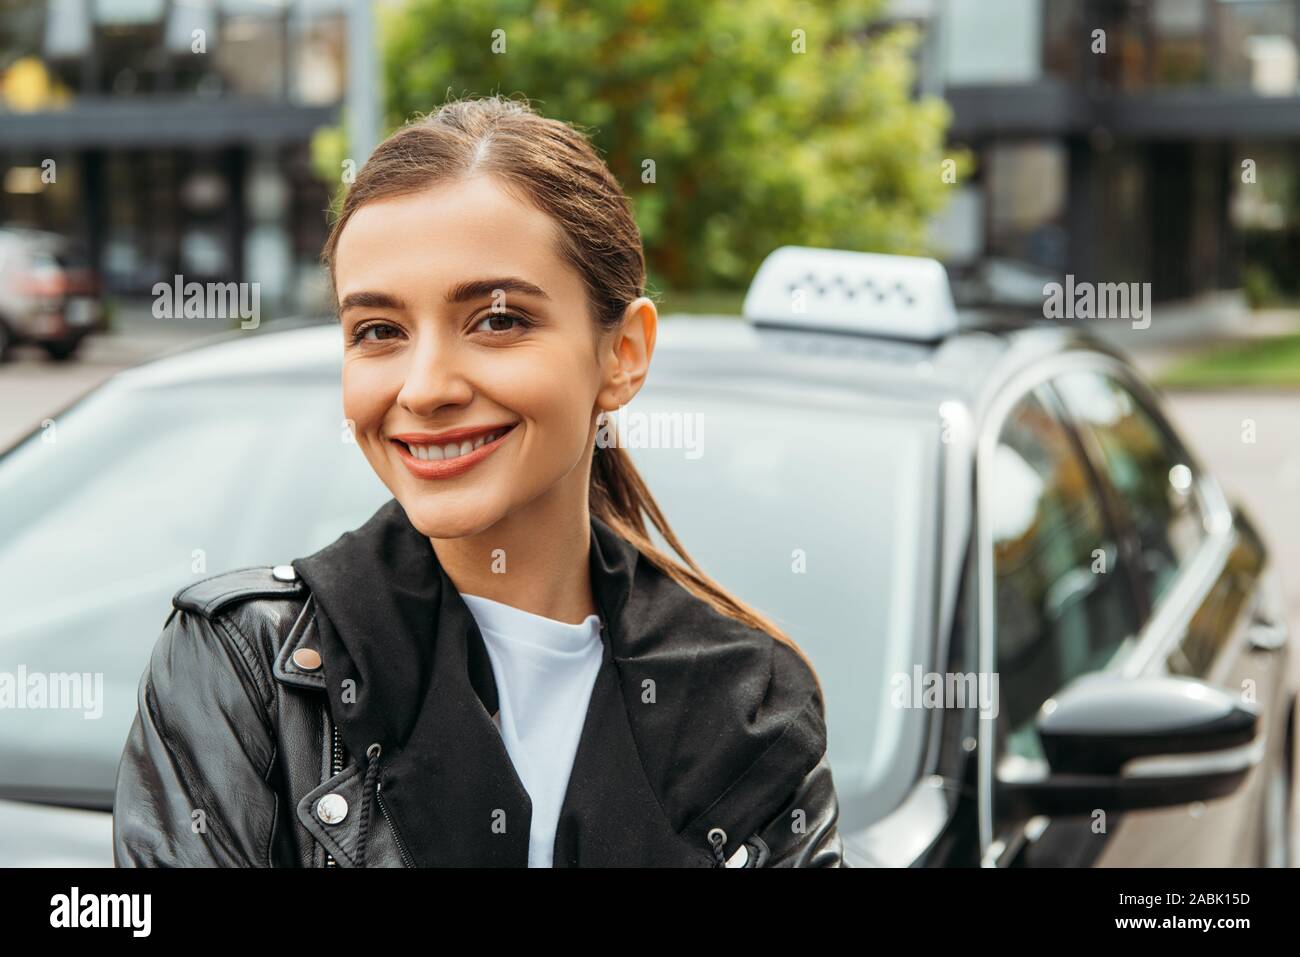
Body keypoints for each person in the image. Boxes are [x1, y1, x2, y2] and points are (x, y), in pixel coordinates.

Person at [112, 94, 846, 868]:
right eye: (378, 331)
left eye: (497, 320)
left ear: (623, 352)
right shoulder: (247, 670)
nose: (425, 388)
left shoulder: (749, 706)